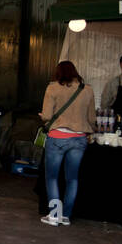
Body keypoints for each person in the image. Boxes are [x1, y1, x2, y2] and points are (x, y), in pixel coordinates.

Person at [39, 61, 98, 226]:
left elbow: (47, 115)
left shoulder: (52, 88)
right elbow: (92, 118)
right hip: (79, 139)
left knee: (52, 178)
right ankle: (65, 216)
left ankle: (54, 216)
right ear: (75, 72)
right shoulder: (87, 90)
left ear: (58, 73)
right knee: (72, 179)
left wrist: (43, 116)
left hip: (57, 137)